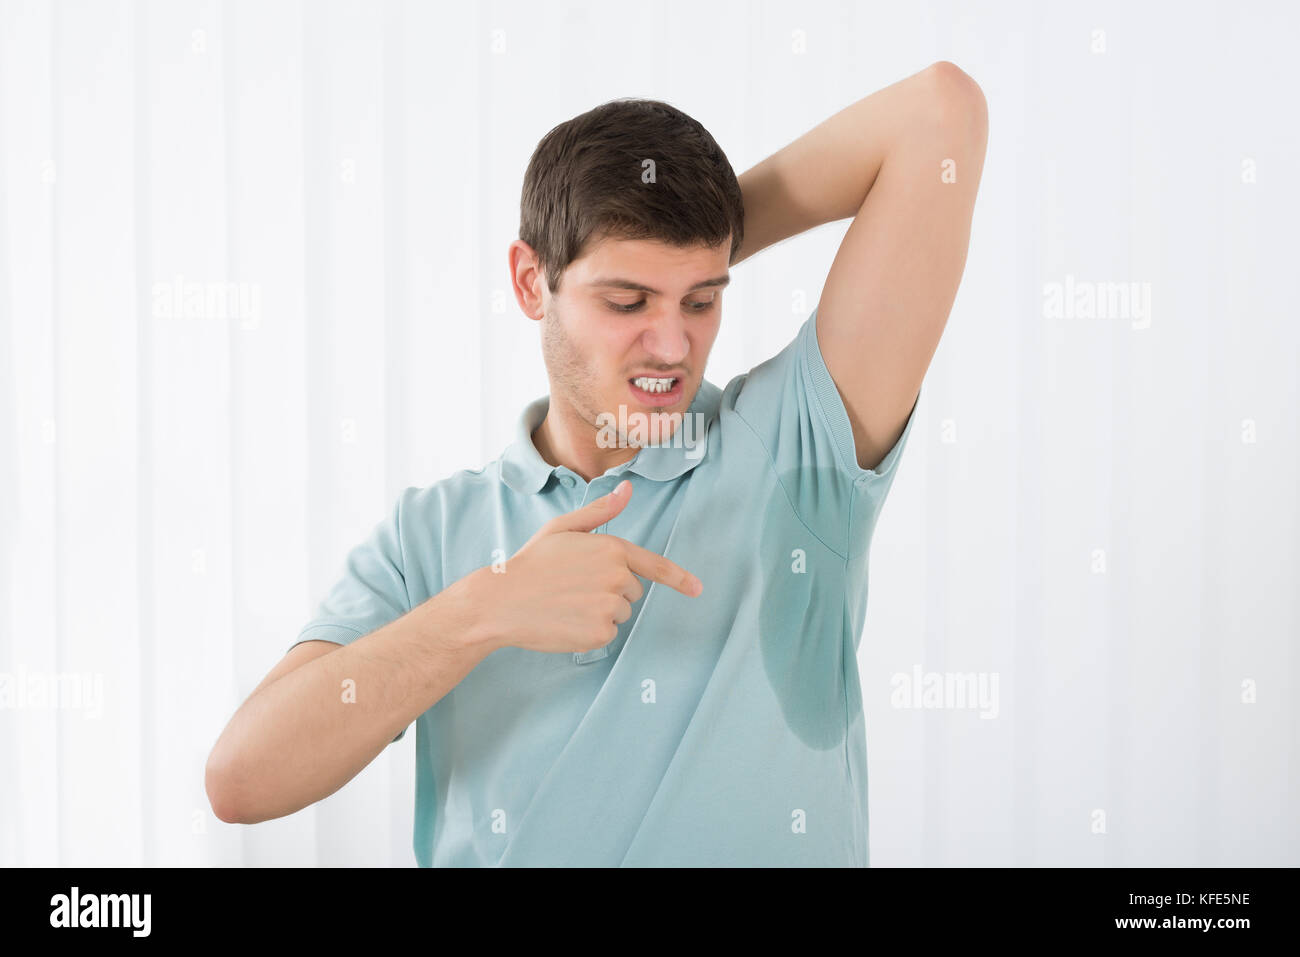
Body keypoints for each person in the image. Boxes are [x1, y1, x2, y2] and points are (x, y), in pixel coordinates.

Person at [205, 60, 988, 866]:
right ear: (530, 281)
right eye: (627, 301)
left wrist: (707, 228)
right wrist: (489, 607)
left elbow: (939, 113)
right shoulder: (432, 533)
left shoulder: (792, 448)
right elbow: (242, 778)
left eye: (701, 298)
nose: (673, 344)